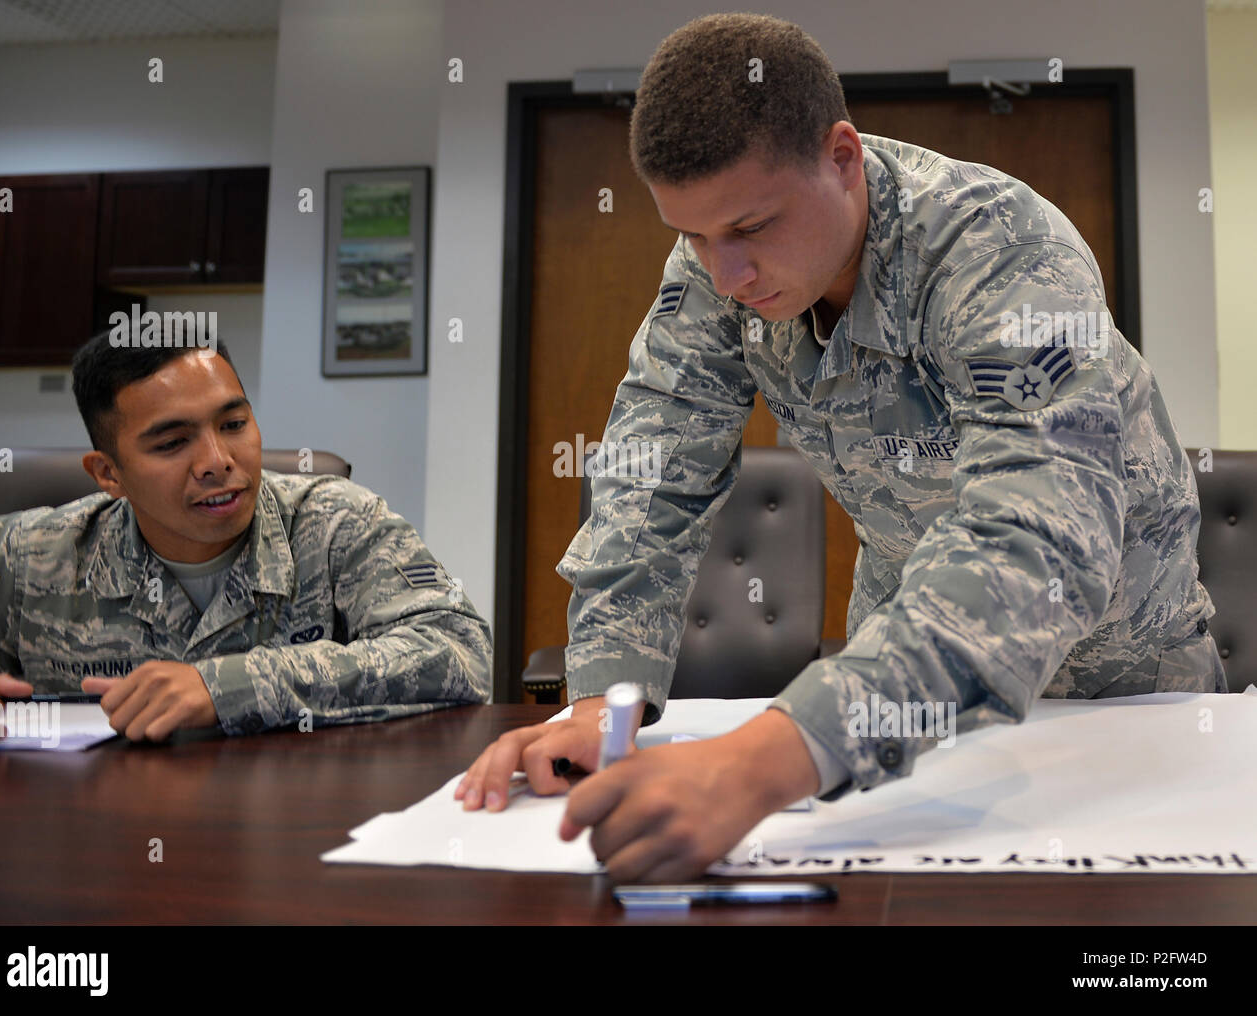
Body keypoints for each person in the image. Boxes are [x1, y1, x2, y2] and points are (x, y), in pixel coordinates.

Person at [456, 12, 1224, 882]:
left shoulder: (1001, 250)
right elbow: (652, 471)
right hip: (900, 672)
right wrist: (605, 700)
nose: (726, 275)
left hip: (1119, 678)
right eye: (693, 235)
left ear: (843, 158)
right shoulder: (716, 268)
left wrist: (756, 763)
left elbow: (1039, 541)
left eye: (748, 226)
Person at [0, 334, 491, 747]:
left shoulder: (335, 524)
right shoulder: (18, 559)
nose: (218, 462)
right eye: (172, 443)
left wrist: (231, 686)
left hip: (293, 836)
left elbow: (459, 654)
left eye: (234, 423)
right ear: (108, 473)